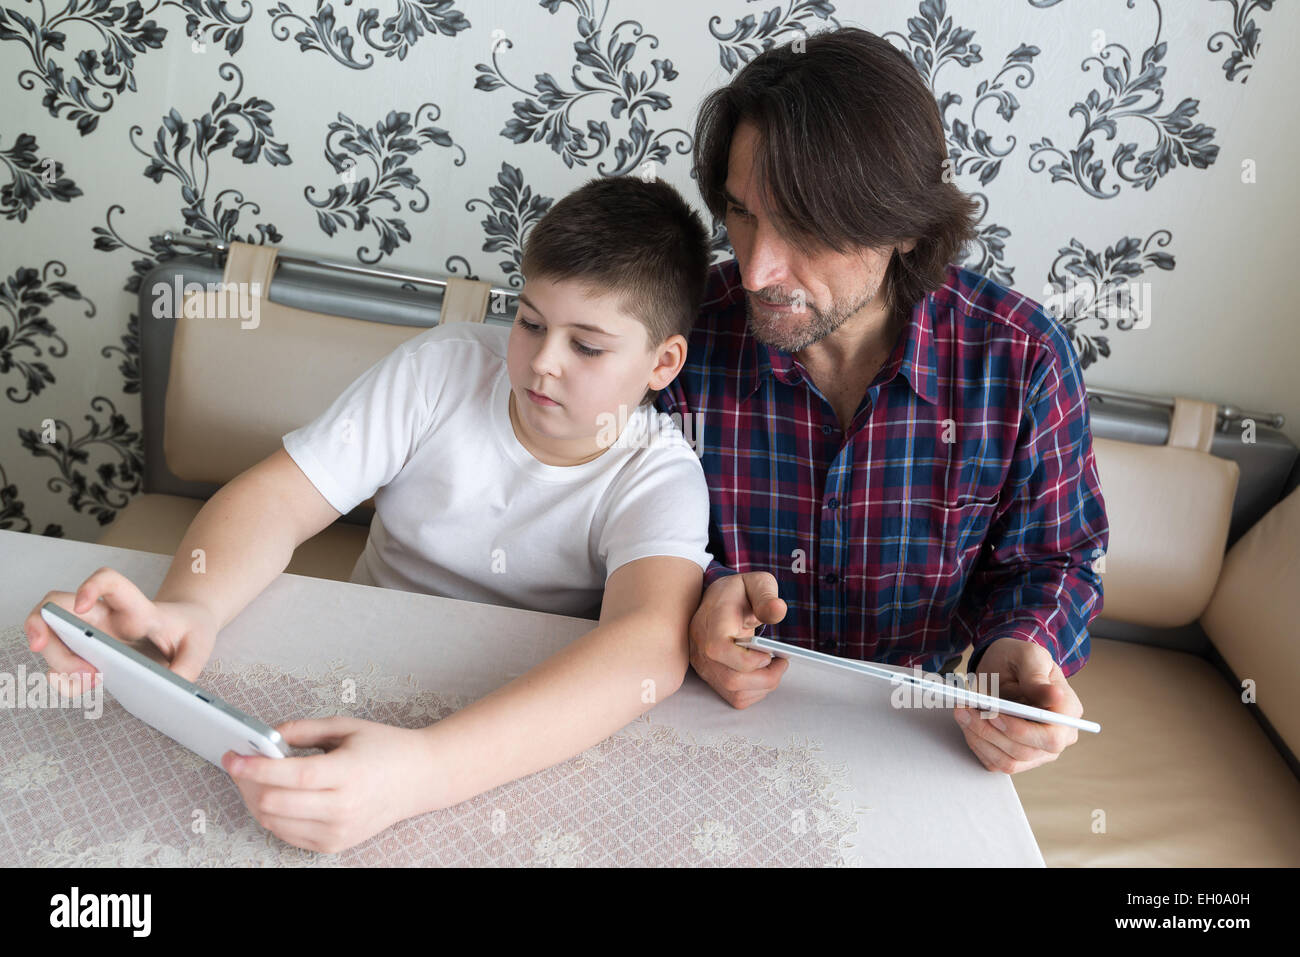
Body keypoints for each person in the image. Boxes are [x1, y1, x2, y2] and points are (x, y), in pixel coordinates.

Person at [24, 175, 714, 853]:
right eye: (530, 322)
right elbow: (278, 498)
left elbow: (646, 645)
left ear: (663, 362)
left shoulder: (658, 470)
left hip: (511, 723)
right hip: (357, 663)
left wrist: (423, 772)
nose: (542, 364)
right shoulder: (441, 370)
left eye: (586, 345)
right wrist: (190, 607)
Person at [659, 27, 1109, 774]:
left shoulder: (1020, 359)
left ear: (904, 226)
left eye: (805, 226)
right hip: (705, 718)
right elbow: (613, 517)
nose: (759, 267)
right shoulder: (679, 339)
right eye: (742, 214)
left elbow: (1055, 558)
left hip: (914, 739)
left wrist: (1017, 657)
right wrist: (695, 599)